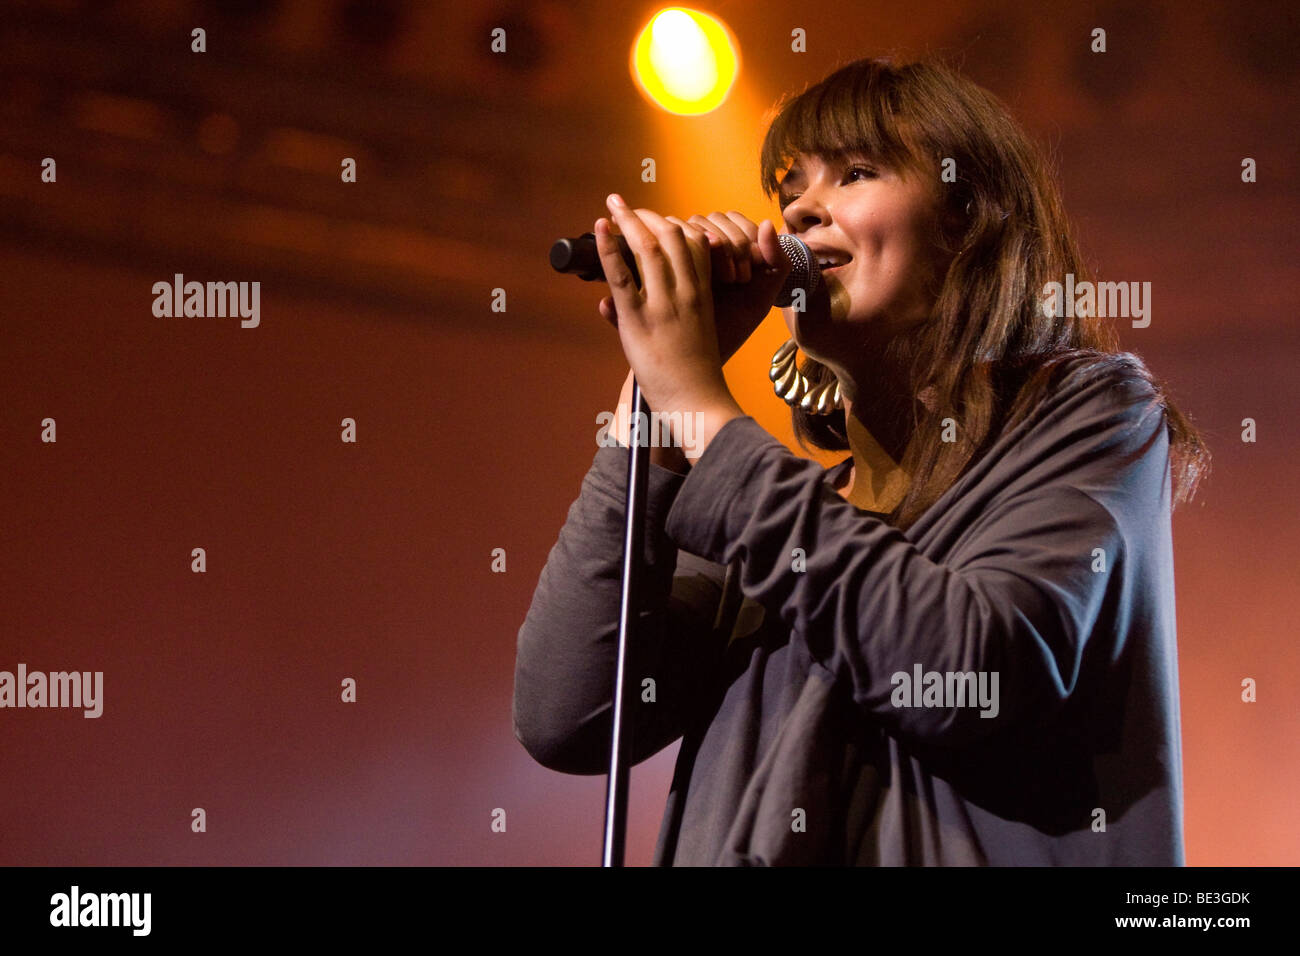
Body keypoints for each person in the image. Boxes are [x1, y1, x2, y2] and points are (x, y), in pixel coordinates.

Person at [513, 55, 1211, 865]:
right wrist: (656, 408)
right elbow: (567, 715)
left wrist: (705, 411)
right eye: (789, 191)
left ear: (967, 219)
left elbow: (966, 673)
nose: (803, 209)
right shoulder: (772, 520)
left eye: (855, 173)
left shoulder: (1095, 412)